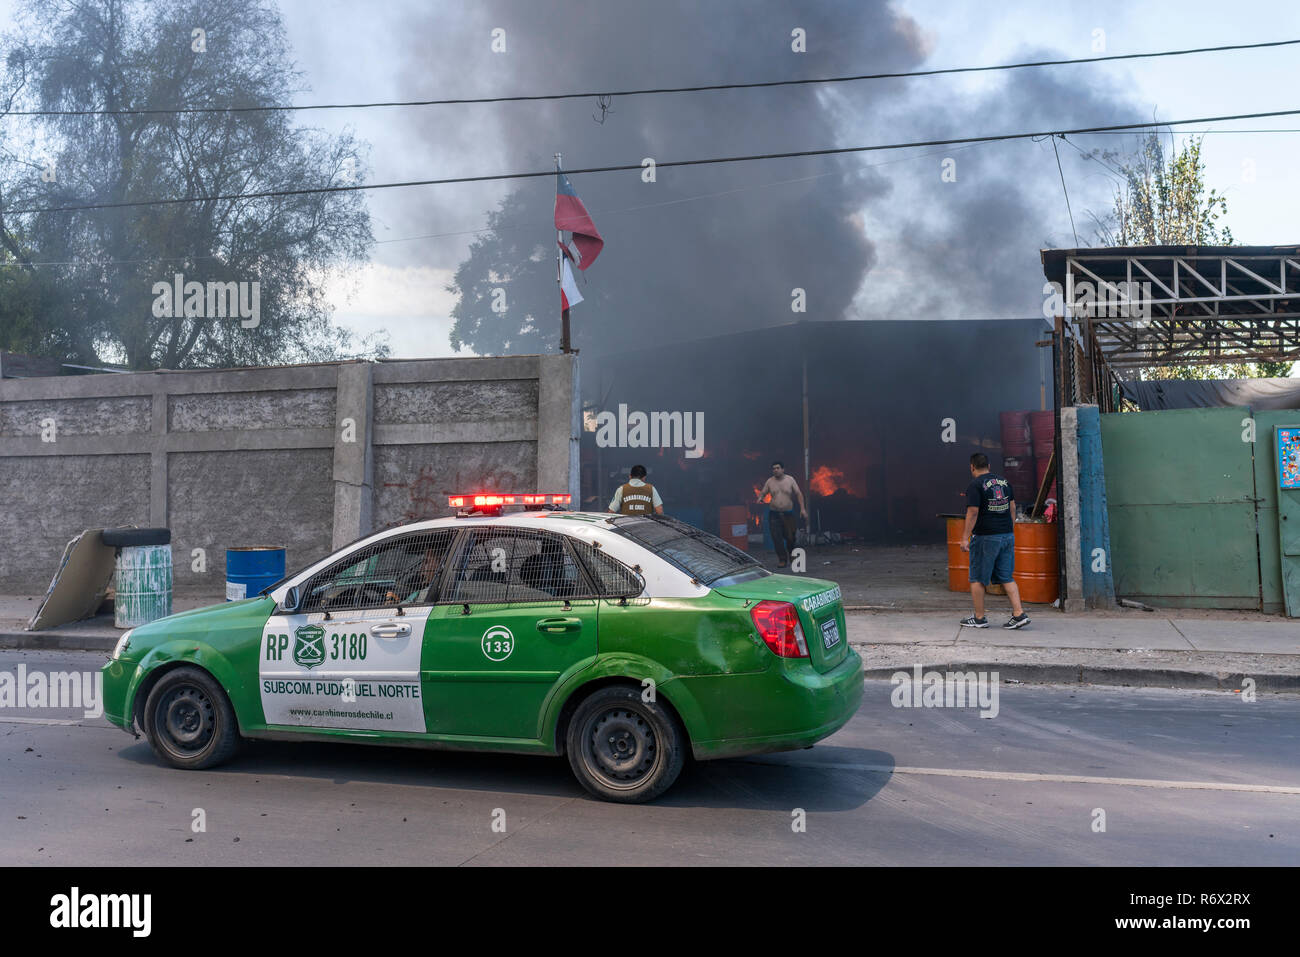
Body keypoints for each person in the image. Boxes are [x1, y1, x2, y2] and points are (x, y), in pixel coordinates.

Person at [960, 452, 1030, 629]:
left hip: (985, 537)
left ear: (972, 467)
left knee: (977, 577)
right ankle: (1018, 614)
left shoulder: (975, 485)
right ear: (989, 466)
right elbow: (1012, 507)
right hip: (1006, 535)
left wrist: (964, 538)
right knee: (1007, 576)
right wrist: (1009, 529)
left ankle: (979, 618)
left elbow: (973, 512)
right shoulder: (1004, 482)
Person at [757, 460, 806, 568]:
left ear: (783, 469)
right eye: (774, 468)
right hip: (774, 514)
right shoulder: (770, 481)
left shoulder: (790, 480)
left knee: (790, 538)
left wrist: (802, 509)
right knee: (777, 538)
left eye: (778, 468)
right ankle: (782, 559)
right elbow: (763, 492)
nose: (775, 470)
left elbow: (798, 494)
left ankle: (792, 556)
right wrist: (760, 497)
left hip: (788, 514)